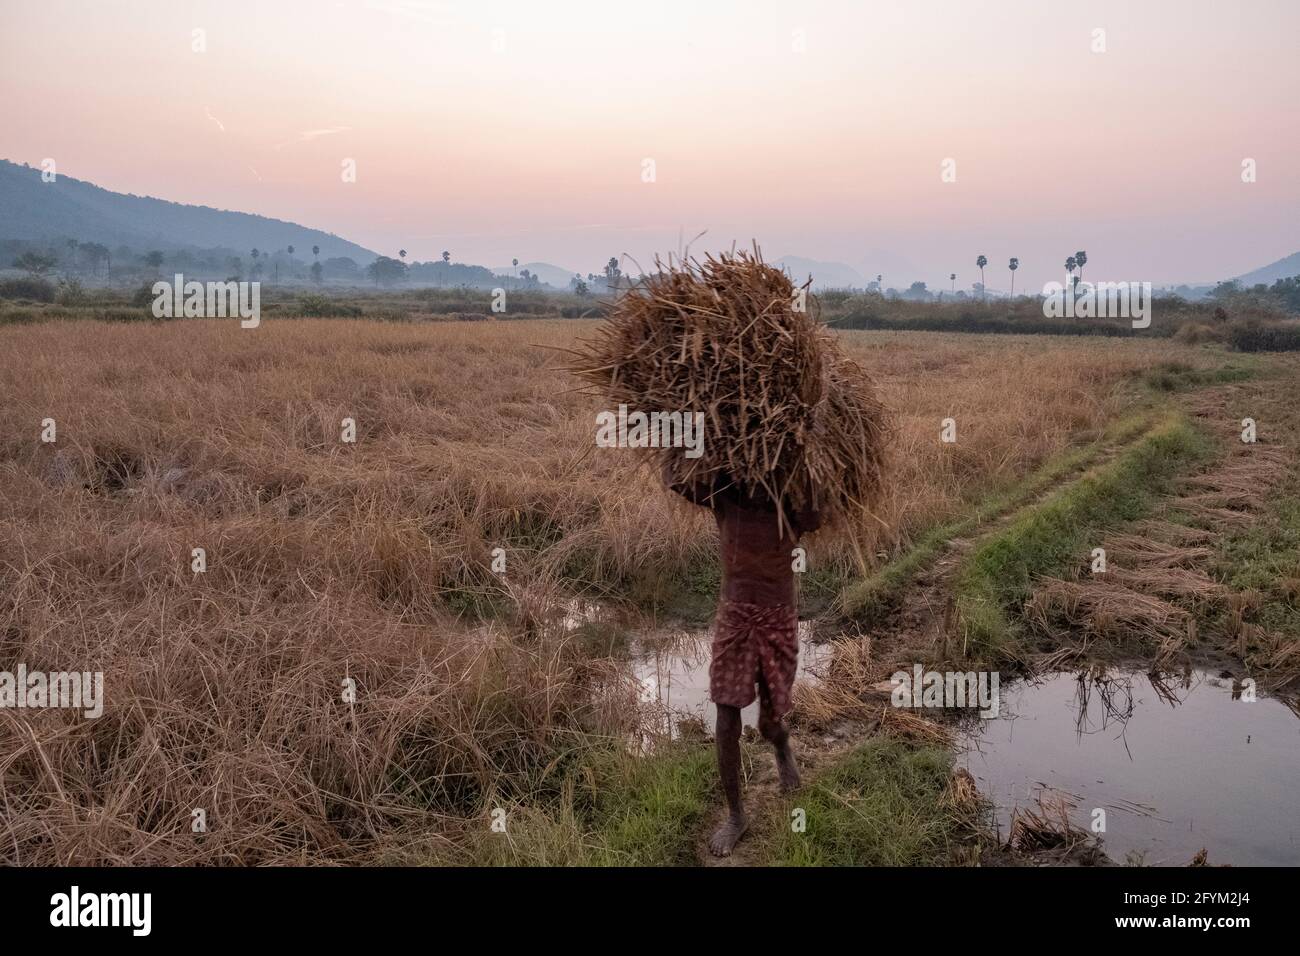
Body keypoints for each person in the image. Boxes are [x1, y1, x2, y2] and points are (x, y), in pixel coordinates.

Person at [665, 466, 820, 857]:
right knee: (726, 713)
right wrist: (677, 429)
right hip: (735, 616)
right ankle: (736, 816)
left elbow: (818, 514)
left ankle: (782, 747)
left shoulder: (790, 495)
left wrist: (809, 463)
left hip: (778, 615)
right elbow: (677, 478)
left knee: (770, 717)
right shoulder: (725, 490)